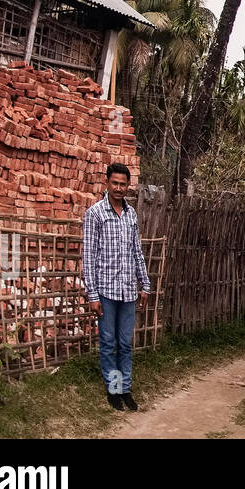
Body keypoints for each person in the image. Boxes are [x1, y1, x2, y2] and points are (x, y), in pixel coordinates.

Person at [81, 163, 151, 411]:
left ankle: (126, 389)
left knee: (125, 342)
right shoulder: (95, 214)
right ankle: (113, 390)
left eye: (123, 184)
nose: (119, 188)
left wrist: (145, 285)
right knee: (109, 343)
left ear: (127, 186)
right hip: (106, 291)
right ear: (107, 183)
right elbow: (88, 258)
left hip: (128, 291)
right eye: (115, 183)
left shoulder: (131, 214)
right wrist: (92, 295)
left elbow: (136, 252)